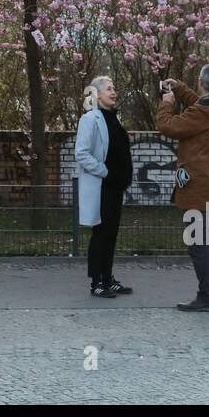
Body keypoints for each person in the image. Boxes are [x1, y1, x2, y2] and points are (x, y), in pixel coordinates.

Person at [157, 65, 209, 312]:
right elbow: (200, 105)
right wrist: (179, 88)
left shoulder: (201, 113)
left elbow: (168, 126)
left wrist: (167, 102)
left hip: (196, 183)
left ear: (201, 81)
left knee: (198, 242)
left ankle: (207, 296)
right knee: (208, 240)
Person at [74, 76, 134, 297]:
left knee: (111, 234)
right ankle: (97, 282)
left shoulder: (112, 118)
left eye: (114, 88)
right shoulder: (91, 119)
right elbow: (81, 153)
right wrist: (105, 172)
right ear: (97, 94)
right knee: (100, 234)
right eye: (109, 89)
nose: (113, 92)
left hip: (114, 187)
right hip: (102, 186)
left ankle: (108, 278)